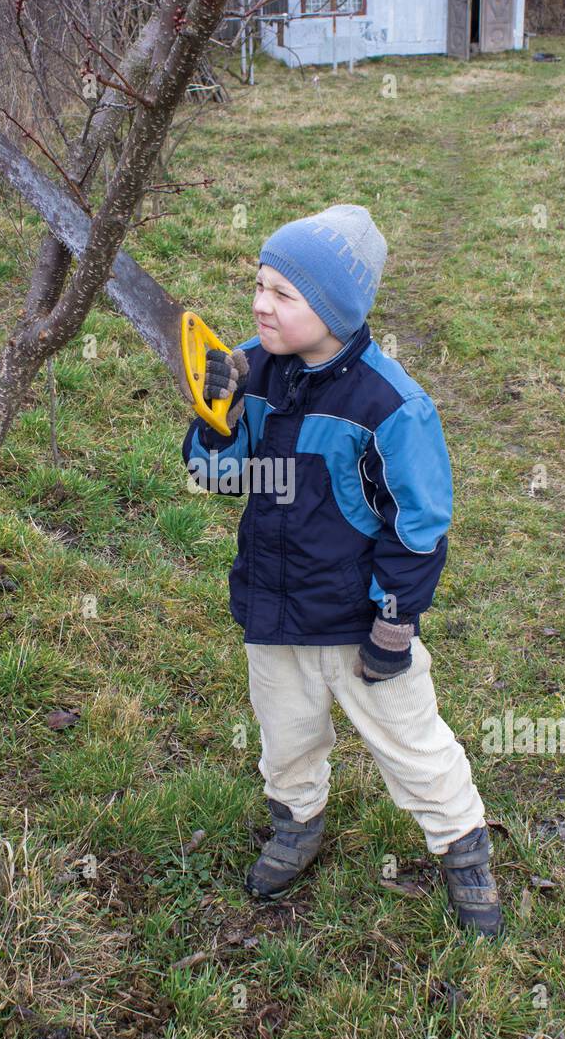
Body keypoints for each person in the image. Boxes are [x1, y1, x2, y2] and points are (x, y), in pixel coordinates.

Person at [181, 204, 504, 938]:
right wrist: (214, 418)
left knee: (411, 743)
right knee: (286, 736)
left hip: (359, 621)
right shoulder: (249, 369)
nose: (260, 303)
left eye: (283, 294)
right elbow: (215, 478)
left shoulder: (389, 405)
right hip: (272, 609)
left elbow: (419, 525)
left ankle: (463, 850)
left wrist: (395, 620)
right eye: (258, 284)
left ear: (334, 309)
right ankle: (296, 823)